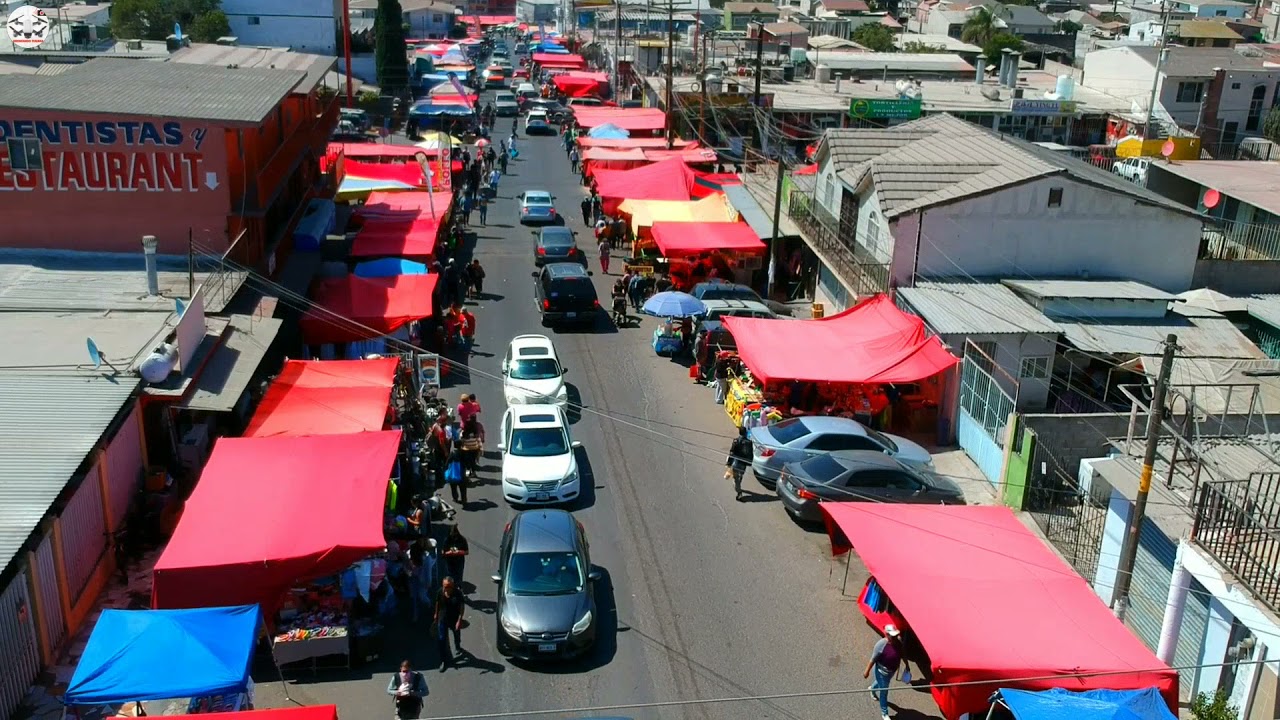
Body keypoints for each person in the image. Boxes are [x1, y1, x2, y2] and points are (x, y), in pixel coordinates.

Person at [864, 624, 910, 720]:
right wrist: (867, 671)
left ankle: (872, 689)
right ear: (886, 634)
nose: (894, 638)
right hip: (881, 672)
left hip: (891, 672)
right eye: (891, 636)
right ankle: (884, 713)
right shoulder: (881, 644)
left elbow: (903, 654)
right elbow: (873, 659)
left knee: (881, 684)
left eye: (895, 636)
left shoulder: (899, 641)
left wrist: (907, 665)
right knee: (884, 692)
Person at [433, 577, 466, 670]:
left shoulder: (458, 594)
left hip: (454, 619)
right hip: (442, 619)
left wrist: (459, 620)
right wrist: (436, 613)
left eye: (448, 586)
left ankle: (458, 646)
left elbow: (462, 607)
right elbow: (437, 602)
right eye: (444, 586)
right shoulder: (440, 592)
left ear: (452, 586)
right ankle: (444, 661)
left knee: (456, 633)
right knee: (441, 640)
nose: (445, 588)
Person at [724, 426, 752, 501]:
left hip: (736, 463)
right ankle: (739, 485)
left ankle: (739, 492)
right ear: (745, 433)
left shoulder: (736, 441)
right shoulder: (749, 443)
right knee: (740, 476)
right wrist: (749, 463)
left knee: (736, 479)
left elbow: (732, 453)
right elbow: (750, 454)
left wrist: (729, 463)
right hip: (743, 464)